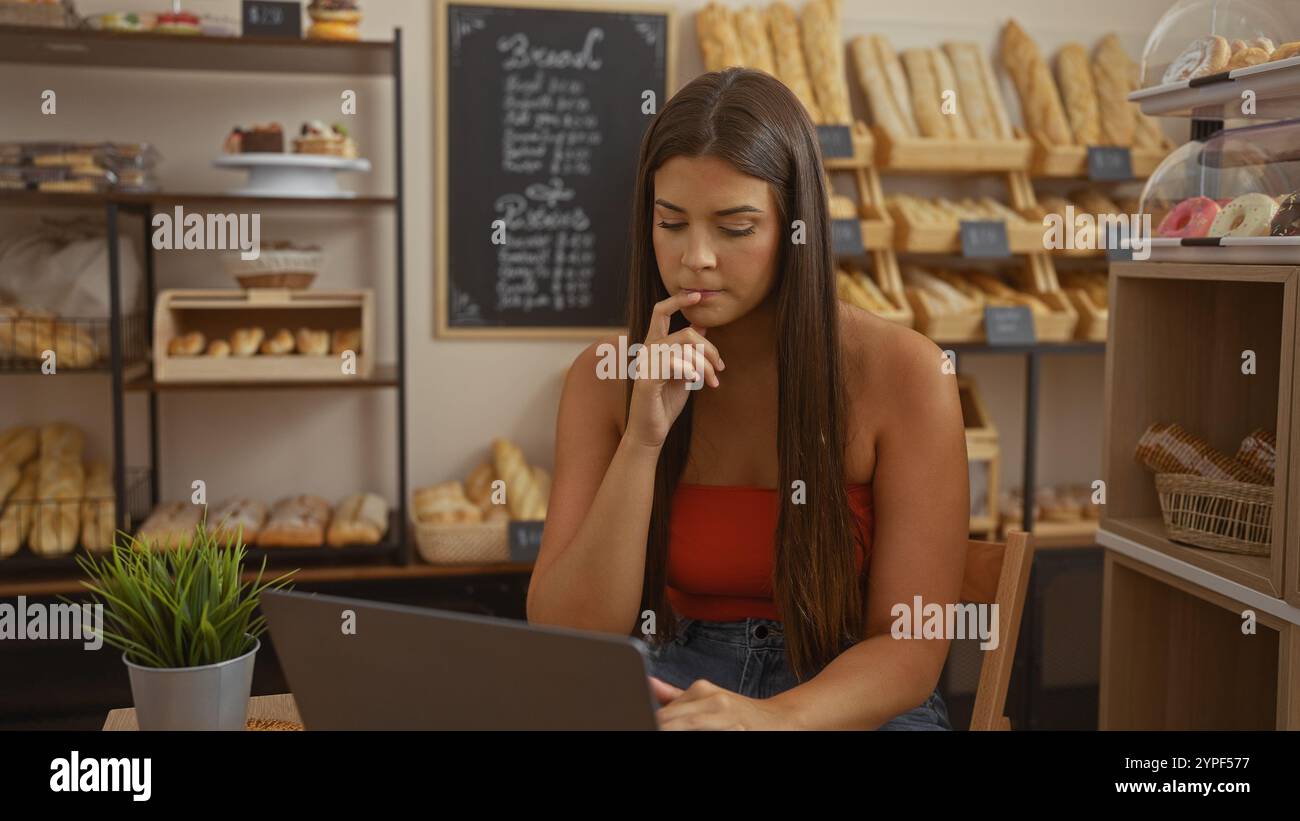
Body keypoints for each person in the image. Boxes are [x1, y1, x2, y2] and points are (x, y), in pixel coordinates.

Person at [527, 68, 968, 730]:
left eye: (735, 227)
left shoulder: (906, 373)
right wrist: (642, 442)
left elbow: (910, 647)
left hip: (846, 692)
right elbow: (570, 631)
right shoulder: (603, 377)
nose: (695, 257)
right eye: (671, 222)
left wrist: (771, 718)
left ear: (797, 226)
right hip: (675, 675)